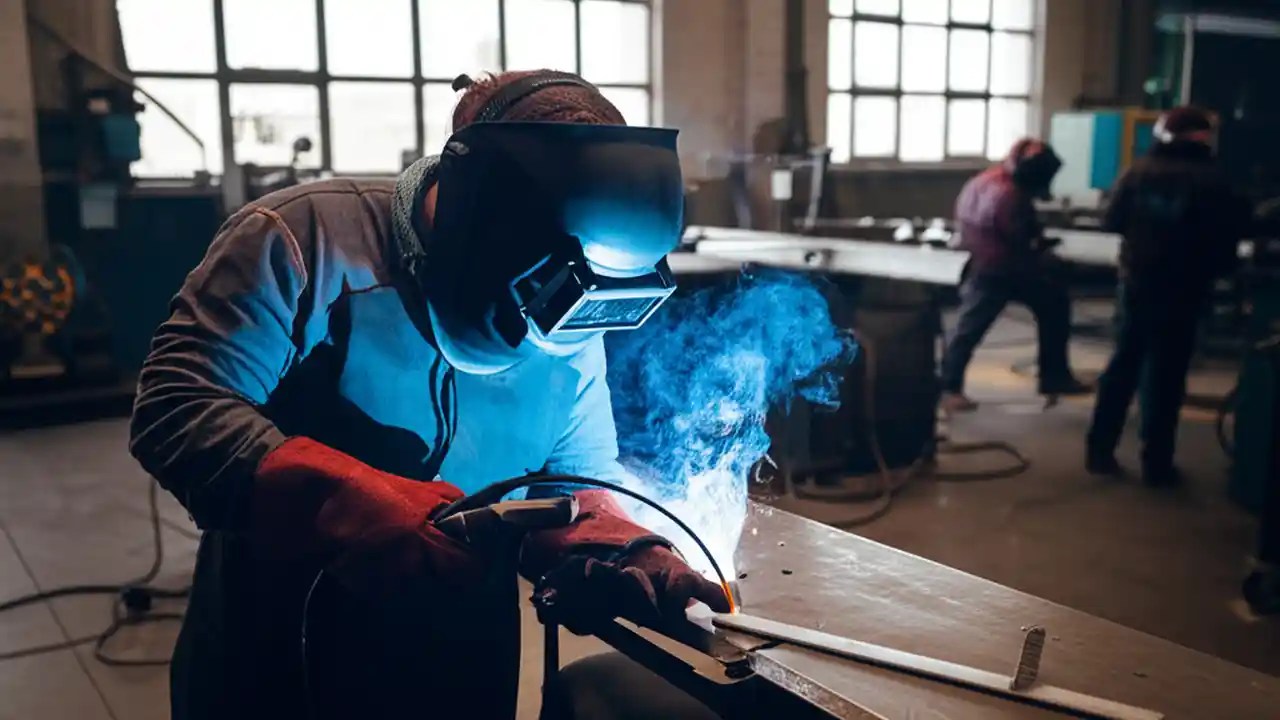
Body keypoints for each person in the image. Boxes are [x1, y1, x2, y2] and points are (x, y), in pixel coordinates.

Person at [129, 69, 730, 720]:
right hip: (276, 651)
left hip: (463, 659)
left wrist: (612, 543)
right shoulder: (304, 240)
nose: (551, 334)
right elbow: (176, 405)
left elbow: (570, 482)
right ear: (475, 218)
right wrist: (342, 500)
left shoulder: (571, 292)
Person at [1085, 106, 1252, 486]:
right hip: (1186, 289)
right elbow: (1231, 237)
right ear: (1202, 137)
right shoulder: (1214, 181)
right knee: (1167, 375)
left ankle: (1099, 452)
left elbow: (1111, 221)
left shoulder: (1137, 172)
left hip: (1138, 283)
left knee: (1123, 366)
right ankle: (1156, 464)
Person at [939, 138, 1088, 412]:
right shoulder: (1012, 195)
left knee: (968, 328)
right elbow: (1021, 240)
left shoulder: (981, 181)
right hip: (1002, 270)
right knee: (972, 328)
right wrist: (1046, 251)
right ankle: (949, 387)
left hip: (978, 263)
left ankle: (1054, 377)